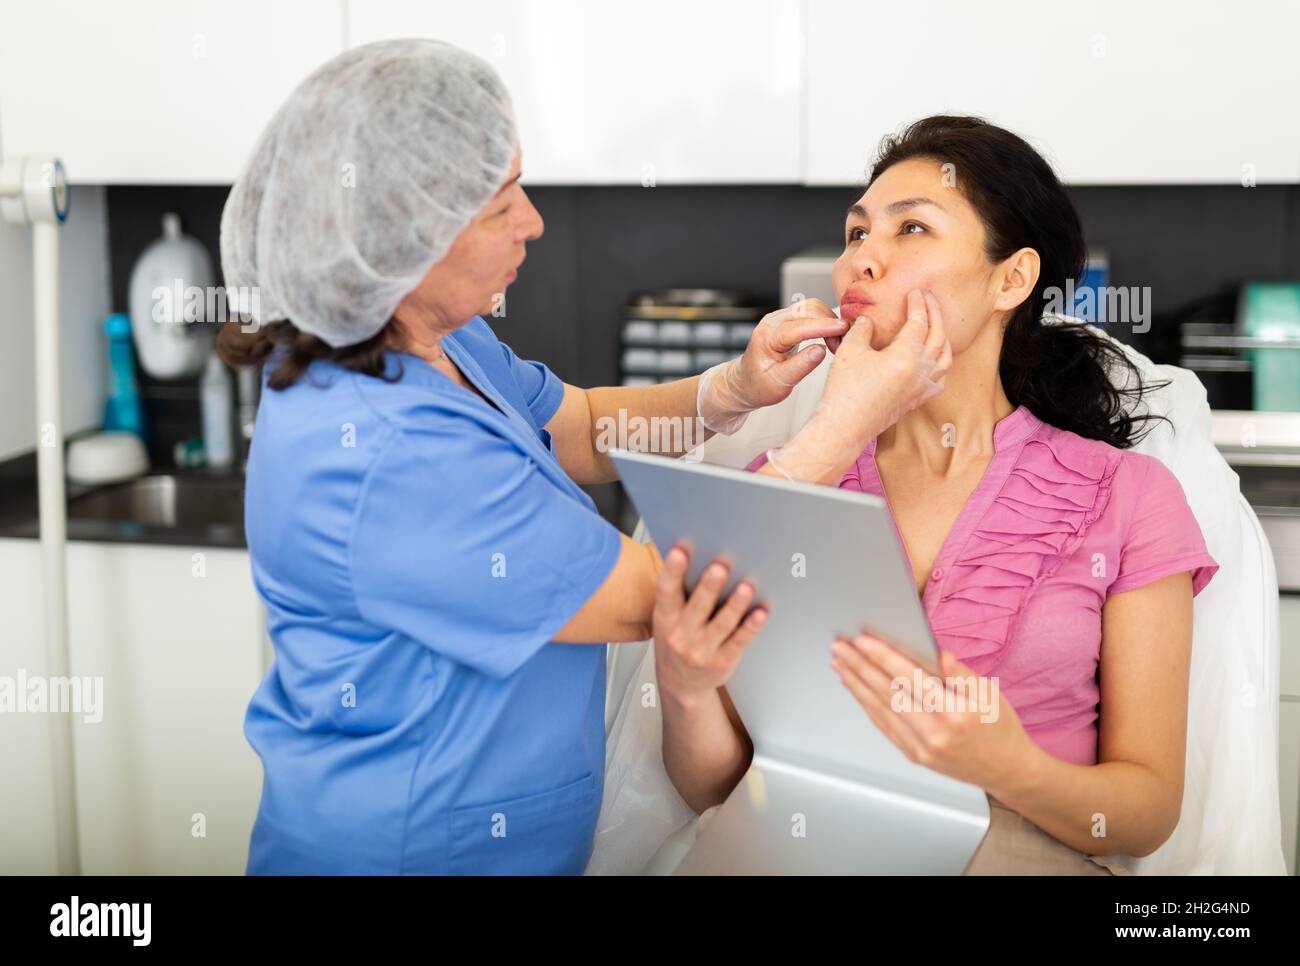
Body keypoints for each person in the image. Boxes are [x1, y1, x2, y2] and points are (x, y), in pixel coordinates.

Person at [216, 39, 949, 874]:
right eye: (501, 206)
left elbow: (583, 426)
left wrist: (732, 392)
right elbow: (670, 600)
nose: (531, 219)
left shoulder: (431, 336)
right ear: (411, 243)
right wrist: (836, 429)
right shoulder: (389, 459)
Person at [655, 116, 1219, 874]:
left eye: (910, 228)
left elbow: (1144, 813)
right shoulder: (794, 474)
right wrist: (688, 691)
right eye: (855, 235)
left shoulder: (1128, 498)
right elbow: (718, 789)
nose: (862, 261)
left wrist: (1010, 766)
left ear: (1012, 280)